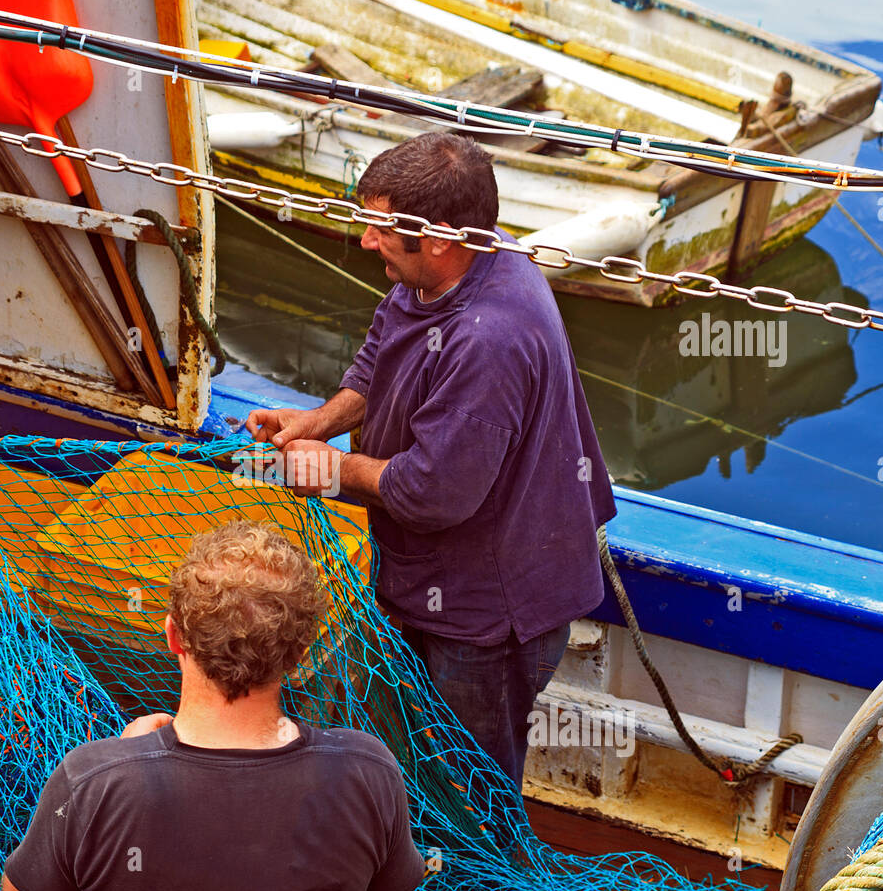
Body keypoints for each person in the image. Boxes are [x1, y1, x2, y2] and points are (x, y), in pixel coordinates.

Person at [1, 520, 425, 891]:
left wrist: (129, 757)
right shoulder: (367, 773)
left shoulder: (96, 784)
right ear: (301, 655)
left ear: (174, 635)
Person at [247, 131, 615, 792]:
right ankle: (408, 866)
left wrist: (328, 470)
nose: (366, 241)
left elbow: (432, 492)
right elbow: (381, 353)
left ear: (441, 237)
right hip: (421, 579)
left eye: (380, 228)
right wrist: (315, 423)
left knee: (466, 790)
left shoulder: (491, 338)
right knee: (392, 754)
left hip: (489, 615)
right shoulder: (442, 272)